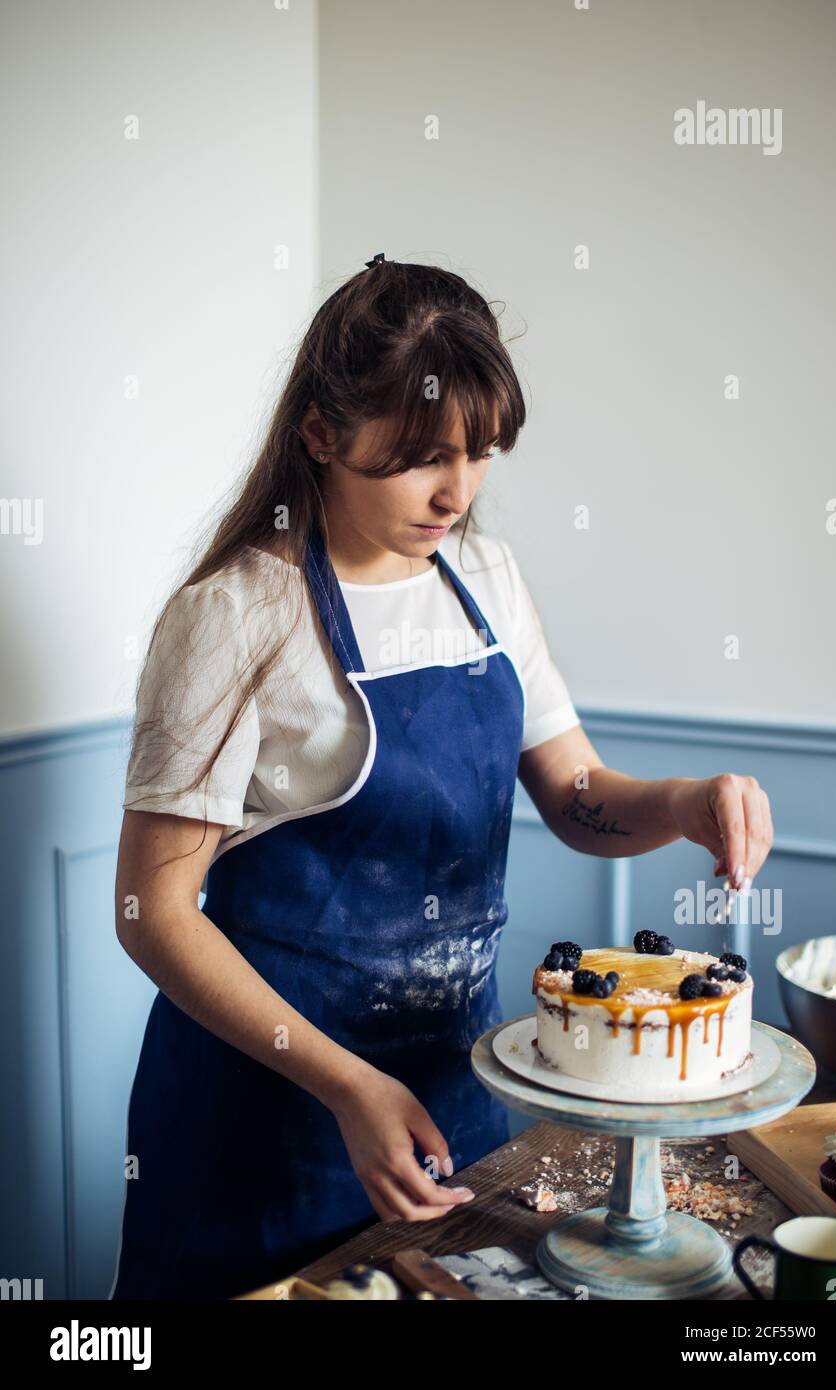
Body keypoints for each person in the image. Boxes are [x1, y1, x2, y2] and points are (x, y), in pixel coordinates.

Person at [109, 256, 773, 1300]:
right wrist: (345, 1084)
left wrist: (684, 803)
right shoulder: (235, 616)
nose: (455, 492)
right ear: (320, 435)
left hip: (450, 1100)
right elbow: (154, 911)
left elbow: (575, 797)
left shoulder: (484, 583)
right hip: (267, 1125)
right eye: (419, 458)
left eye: (477, 454)